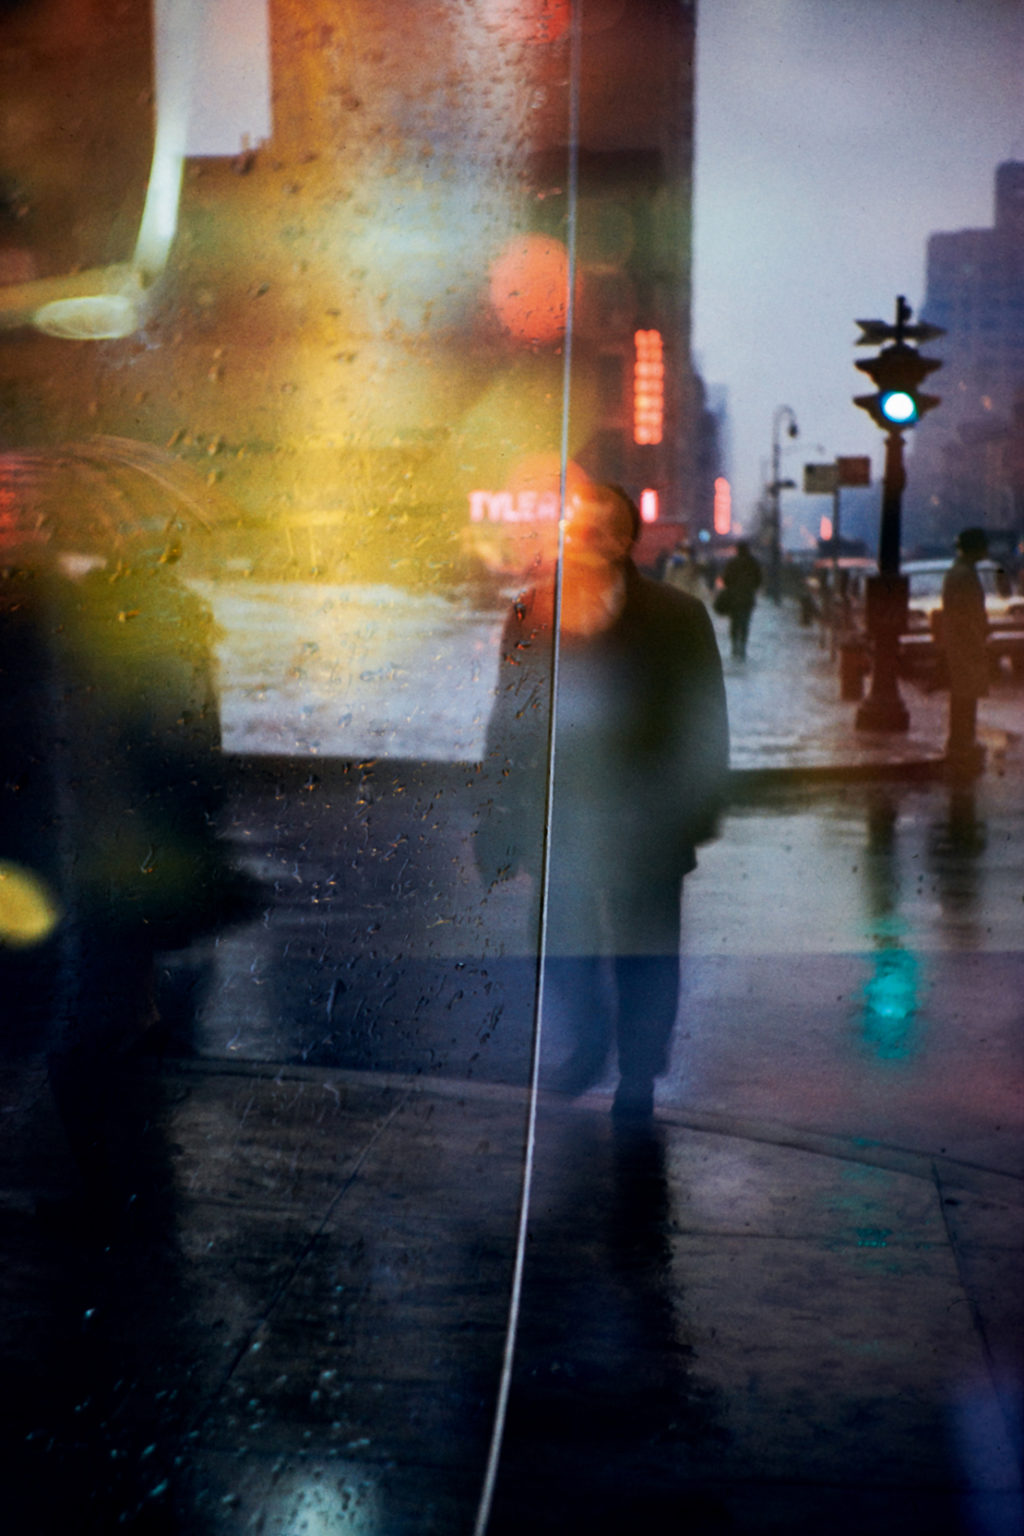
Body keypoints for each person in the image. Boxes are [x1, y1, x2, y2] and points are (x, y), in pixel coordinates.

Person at [476, 482, 729, 1121]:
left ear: (623, 541)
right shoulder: (531, 612)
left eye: (598, 528)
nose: (581, 538)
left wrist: (695, 813)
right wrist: (499, 814)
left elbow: (705, 722)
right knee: (558, 942)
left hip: (648, 823)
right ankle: (589, 1039)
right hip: (565, 817)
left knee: (645, 953)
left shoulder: (677, 615)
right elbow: (510, 719)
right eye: (575, 526)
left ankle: (638, 1073)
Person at [941, 526, 990, 775]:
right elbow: (964, 613)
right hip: (965, 642)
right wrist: (976, 637)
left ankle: (962, 738)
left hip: (964, 641)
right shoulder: (963, 574)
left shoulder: (961, 571)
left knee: (964, 692)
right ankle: (962, 739)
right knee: (965, 692)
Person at [719, 539, 762, 659]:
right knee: (745, 623)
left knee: (734, 622)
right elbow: (759, 580)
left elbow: (726, 580)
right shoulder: (753, 563)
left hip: (734, 598)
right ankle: (743, 646)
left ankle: (734, 646)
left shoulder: (733, 563)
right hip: (748, 597)